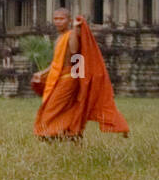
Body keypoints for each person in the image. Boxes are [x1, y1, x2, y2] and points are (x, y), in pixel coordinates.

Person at [33, 8, 129, 139]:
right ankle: (71, 134)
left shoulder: (71, 34)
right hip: (59, 77)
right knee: (66, 109)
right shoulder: (59, 38)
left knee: (50, 110)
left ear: (69, 20)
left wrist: (75, 31)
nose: (58, 22)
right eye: (56, 19)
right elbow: (56, 63)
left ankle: (49, 133)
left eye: (61, 19)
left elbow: (74, 51)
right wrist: (42, 73)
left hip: (68, 78)